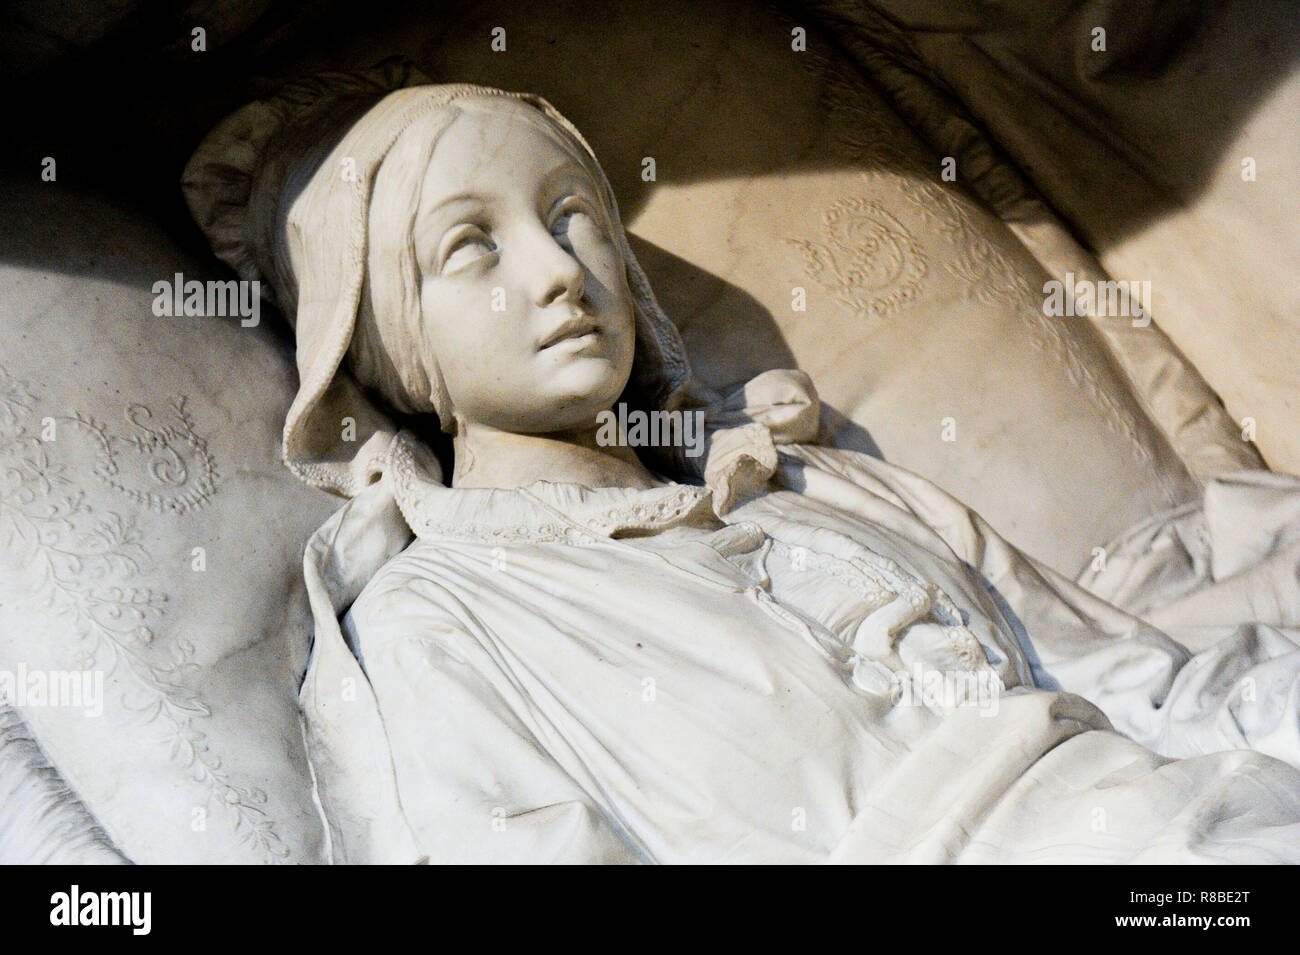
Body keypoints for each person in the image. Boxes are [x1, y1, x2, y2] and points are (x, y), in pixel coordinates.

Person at [183, 61, 1300, 863]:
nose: (559, 273)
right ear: (383, 336)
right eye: (470, 247)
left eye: (573, 217)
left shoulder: (811, 486)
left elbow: (1137, 679)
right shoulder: (446, 620)